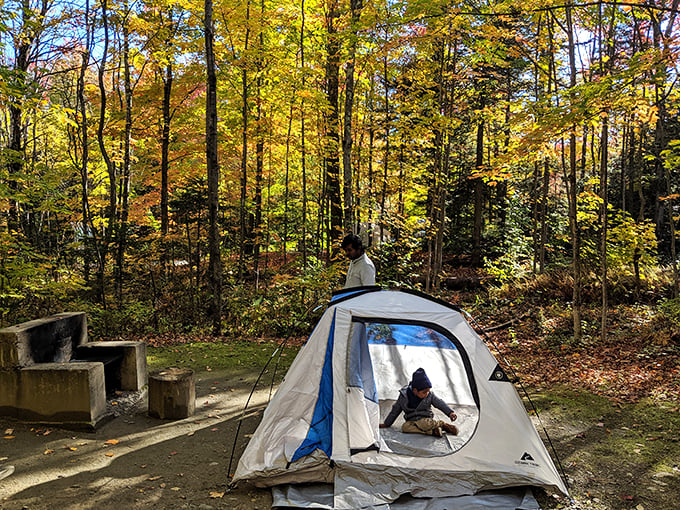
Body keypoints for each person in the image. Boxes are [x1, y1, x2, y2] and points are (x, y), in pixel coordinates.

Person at [379, 368, 458, 437]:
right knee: (405, 427)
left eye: (428, 391)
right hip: (412, 421)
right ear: (415, 390)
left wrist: (450, 413)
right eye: (424, 392)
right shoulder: (403, 396)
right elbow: (395, 410)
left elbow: (440, 403)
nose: (427, 393)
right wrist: (387, 423)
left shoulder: (429, 395)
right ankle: (433, 431)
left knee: (424, 424)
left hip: (426, 420)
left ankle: (442, 425)